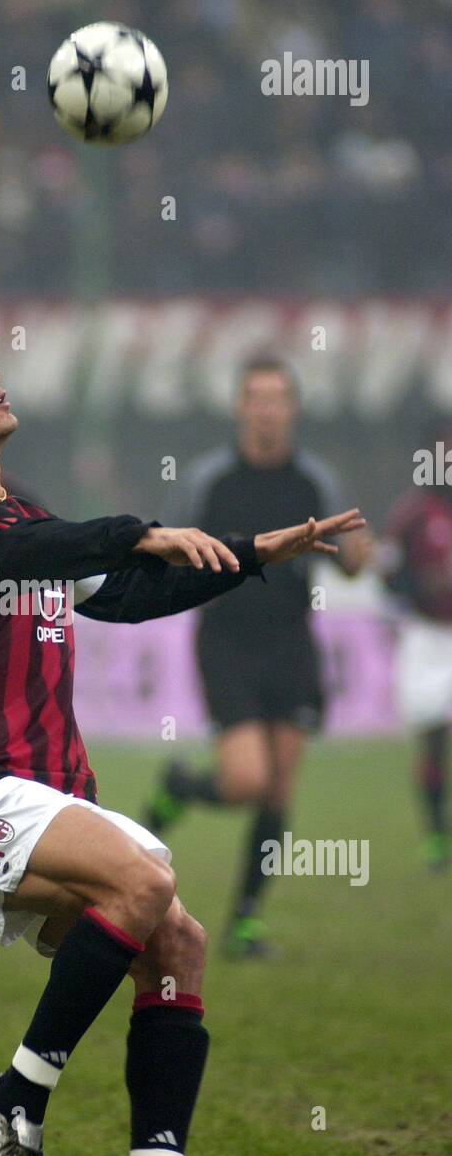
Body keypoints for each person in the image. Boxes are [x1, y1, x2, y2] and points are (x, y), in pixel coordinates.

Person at [0, 337, 363, 1156]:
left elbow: (125, 595)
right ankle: (14, 1095)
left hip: (36, 793)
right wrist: (136, 524)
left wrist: (253, 555)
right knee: (144, 883)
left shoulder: (25, 517)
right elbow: (57, 548)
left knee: (177, 941)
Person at [145, 356, 372, 958]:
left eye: (278, 398)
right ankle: (182, 787)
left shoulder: (315, 481)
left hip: (292, 642)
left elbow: (354, 554)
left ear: (292, 408)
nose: (268, 409)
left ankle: (246, 921)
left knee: (278, 790)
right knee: (248, 780)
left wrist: (354, 551)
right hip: (226, 642)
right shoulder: (209, 479)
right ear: (240, 406)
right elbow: (167, 543)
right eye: (257, 397)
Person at [381, 427, 452, 872]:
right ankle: (436, 839)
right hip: (427, 636)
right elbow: (389, 578)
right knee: (433, 739)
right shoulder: (411, 514)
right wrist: (419, 587)